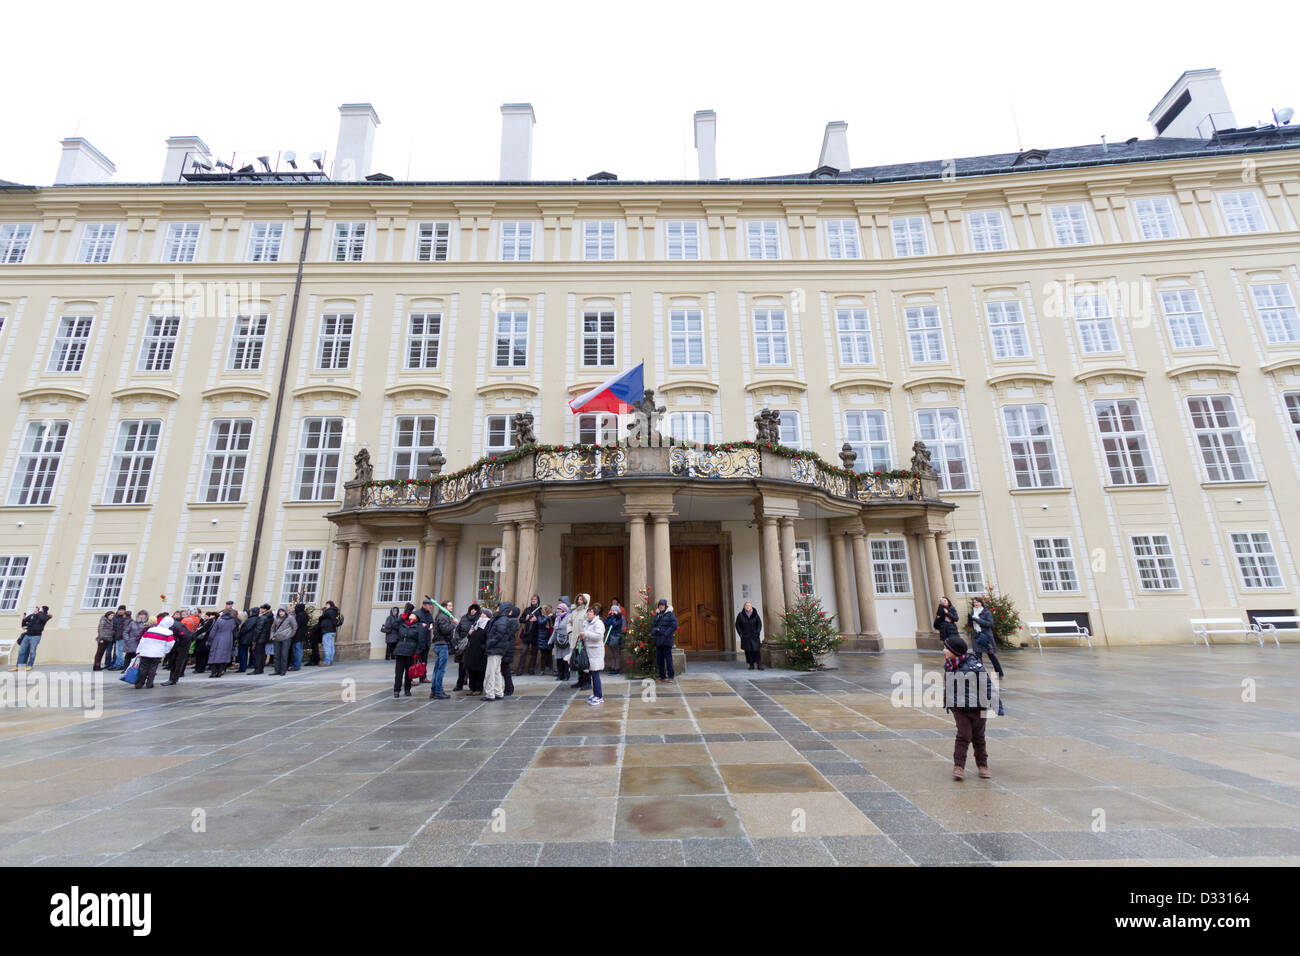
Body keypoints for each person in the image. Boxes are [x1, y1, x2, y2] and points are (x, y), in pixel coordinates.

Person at [942, 634, 995, 780]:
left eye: (946, 648)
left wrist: (995, 703)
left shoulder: (974, 665)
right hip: (959, 708)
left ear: (955, 651)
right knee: (963, 735)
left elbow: (987, 684)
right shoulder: (950, 665)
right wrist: (948, 702)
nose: (944, 651)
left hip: (978, 707)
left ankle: (983, 765)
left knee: (978, 737)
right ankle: (959, 766)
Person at [482, 602, 516, 702]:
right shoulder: (501, 619)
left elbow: (499, 634)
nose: (496, 609)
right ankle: (498, 692)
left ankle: (490, 694)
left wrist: (489, 643)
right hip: (497, 648)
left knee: (490, 672)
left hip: (495, 648)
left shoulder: (502, 620)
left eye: (498, 608)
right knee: (496, 672)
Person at [134, 614, 176, 689]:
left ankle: (139, 684)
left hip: (145, 652)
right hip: (157, 653)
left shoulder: (151, 629)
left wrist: (139, 650)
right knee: (153, 668)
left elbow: (143, 640)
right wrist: (165, 651)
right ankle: (149, 684)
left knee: (143, 668)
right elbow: (170, 643)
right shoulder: (169, 632)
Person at [967, 597, 1003, 679]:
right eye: (974, 602)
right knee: (978, 657)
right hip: (977, 635)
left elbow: (990, 624)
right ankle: (981, 675)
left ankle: (999, 673)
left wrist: (977, 620)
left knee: (991, 656)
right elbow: (971, 624)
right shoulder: (973, 612)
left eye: (977, 602)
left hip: (986, 636)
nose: (975, 604)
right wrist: (970, 619)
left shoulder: (986, 612)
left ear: (981, 603)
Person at [10, 605, 50, 672]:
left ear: (43, 610)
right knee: (22, 651)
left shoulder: (44, 616)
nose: (36, 609)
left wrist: (40, 612)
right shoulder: (32, 615)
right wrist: (24, 622)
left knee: (32, 651)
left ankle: (29, 665)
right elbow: (25, 621)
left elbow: (42, 619)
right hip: (27, 635)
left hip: (36, 636)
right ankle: (19, 667)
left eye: (39, 609)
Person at [429, 600, 455, 700]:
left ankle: (434, 690)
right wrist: (453, 624)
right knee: (441, 670)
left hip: (439, 644)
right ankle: (438, 691)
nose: (451, 607)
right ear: (444, 607)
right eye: (450, 605)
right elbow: (445, 630)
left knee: (437, 669)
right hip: (442, 645)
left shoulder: (441, 616)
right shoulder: (443, 617)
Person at [582, 602, 606, 706]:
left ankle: (599, 696)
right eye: (588, 612)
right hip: (589, 651)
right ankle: (595, 694)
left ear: (595, 614)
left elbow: (599, 636)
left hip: (596, 652)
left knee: (595, 674)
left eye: (590, 612)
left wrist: (585, 634)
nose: (588, 614)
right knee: (592, 674)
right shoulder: (587, 623)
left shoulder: (598, 623)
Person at [452, 603, 480, 692]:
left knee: (472, 667)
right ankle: (459, 684)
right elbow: (457, 630)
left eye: (475, 609)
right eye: (472, 609)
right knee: (461, 666)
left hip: (473, 646)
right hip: (463, 645)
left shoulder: (479, 619)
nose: (473, 610)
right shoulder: (464, 618)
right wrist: (458, 639)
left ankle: (473, 686)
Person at [392, 611, 420, 698]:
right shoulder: (402, 624)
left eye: (413, 615)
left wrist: (417, 652)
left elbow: (420, 640)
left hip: (411, 652)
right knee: (398, 673)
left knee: (409, 673)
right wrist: (402, 616)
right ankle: (396, 690)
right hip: (400, 651)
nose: (410, 615)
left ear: (416, 618)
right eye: (410, 614)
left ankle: (407, 689)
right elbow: (394, 625)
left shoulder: (418, 626)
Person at [461, 606, 489, 696]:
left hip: (481, 652)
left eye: (483, 614)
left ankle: (478, 688)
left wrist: (483, 647)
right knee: (471, 670)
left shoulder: (488, 624)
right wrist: (469, 634)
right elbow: (470, 636)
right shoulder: (477, 623)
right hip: (472, 650)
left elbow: (488, 637)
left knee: (479, 671)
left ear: (487, 616)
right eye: (481, 613)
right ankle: (472, 688)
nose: (481, 615)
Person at [159, 613, 193, 686]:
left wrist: (178, 646)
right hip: (178, 644)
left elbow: (186, 637)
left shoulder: (178, 627)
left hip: (184, 645)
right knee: (173, 661)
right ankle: (171, 678)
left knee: (178, 662)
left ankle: (173, 679)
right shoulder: (172, 625)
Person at [206, 604, 238, 678]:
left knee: (214, 655)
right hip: (228, 639)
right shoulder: (232, 621)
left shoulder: (219, 621)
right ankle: (220, 672)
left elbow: (212, 632)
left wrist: (209, 641)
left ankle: (213, 672)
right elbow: (235, 630)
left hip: (218, 639)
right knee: (224, 655)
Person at [568, 593, 591, 690]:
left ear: (586, 601)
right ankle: (580, 680)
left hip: (583, 640)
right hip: (574, 640)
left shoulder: (587, 612)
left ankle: (587, 682)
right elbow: (569, 622)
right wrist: (570, 631)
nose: (579, 601)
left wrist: (584, 635)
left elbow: (589, 625)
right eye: (578, 599)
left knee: (584, 661)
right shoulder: (574, 612)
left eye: (581, 599)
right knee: (577, 660)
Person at [652, 598, 677, 683]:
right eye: (660, 605)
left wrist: (666, 633)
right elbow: (653, 625)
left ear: (665, 606)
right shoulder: (657, 615)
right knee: (659, 660)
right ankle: (662, 676)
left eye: (662, 605)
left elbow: (674, 626)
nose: (661, 606)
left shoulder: (670, 614)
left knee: (668, 659)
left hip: (666, 641)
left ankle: (671, 677)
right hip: (658, 641)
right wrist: (654, 632)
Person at [736, 600, 763, 669]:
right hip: (745, 636)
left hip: (754, 636)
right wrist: (740, 634)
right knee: (748, 651)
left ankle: (759, 664)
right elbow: (737, 625)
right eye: (746, 605)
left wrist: (757, 632)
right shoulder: (741, 615)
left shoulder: (755, 614)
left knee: (756, 650)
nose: (747, 607)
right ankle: (751, 665)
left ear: (751, 607)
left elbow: (759, 624)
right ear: (744, 607)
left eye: (749, 605)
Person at [518, 594, 541, 675]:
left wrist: (537, 619)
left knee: (534, 652)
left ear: (538, 600)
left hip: (536, 634)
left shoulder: (540, 610)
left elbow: (544, 621)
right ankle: (520, 669)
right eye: (532, 599)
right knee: (523, 651)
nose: (533, 600)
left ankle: (531, 668)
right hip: (527, 634)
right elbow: (520, 620)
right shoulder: (527, 609)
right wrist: (526, 619)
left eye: (535, 599)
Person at [500, 604, 520, 696]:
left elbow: (508, 633)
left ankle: (509, 688)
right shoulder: (511, 621)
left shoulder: (513, 621)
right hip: (507, 647)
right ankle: (508, 688)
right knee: (505, 669)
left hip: (507, 648)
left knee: (505, 670)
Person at [249, 603, 273, 673]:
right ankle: (261, 668)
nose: (260, 610)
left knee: (258, 654)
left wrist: (254, 640)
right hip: (265, 637)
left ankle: (257, 669)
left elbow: (258, 629)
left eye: (261, 608)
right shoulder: (270, 616)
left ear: (264, 609)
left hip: (260, 638)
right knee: (262, 653)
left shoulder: (262, 617)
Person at [270, 606, 295, 676]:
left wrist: (290, 635)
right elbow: (272, 628)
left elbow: (294, 627)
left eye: (282, 611)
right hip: (277, 638)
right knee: (277, 655)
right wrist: (272, 636)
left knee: (284, 655)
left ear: (285, 611)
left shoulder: (290, 618)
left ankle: (283, 670)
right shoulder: (276, 618)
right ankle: (277, 670)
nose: (281, 613)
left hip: (286, 639)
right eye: (280, 611)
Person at [551, 599, 572, 682]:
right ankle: (560, 675)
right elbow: (555, 630)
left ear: (563, 610)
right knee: (559, 659)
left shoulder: (568, 617)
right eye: (557, 609)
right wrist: (551, 640)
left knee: (565, 659)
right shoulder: (557, 618)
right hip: (558, 641)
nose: (557, 610)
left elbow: (571, 629)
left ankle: (567, 675)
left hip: (566, 641)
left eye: (559, 609)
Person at [604, 600, 625, 675]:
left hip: (616, 636)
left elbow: (615, 624)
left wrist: (613, 617)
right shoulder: (611, 616)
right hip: (610, 636)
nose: (612, 611)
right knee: (612, 653)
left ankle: (617, 668)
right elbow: (606, 623)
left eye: (614, 610)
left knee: (616, 653)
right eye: (611, 610)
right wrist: (609, 616)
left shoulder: (620, 618)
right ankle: (613, 667)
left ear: (617, 611)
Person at [123, 609, 148, 674]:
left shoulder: (147, 624)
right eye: (140, 615)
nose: (142, 616)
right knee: (128, 656)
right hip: (131, 642)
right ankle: (125, 669)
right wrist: (127, 639)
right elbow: (125, 631)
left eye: (143, 615)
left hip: (141, 643)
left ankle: (134, 670)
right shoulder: (132, 623)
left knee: (138, 657)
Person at [235, 607, 259, 672]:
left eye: (251, 611)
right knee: (245, 653)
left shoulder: (252, 619)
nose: (250, 613)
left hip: (246, 638)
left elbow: (245, 628)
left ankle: (242, 668)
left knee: (243, 653)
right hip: (250, 638)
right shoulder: (256, 618)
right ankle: (245, 666)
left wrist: (239, 634)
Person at [108, 605, 130, 670]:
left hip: (121, 637)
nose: (121, 611)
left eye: (122, 610)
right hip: (116, 636)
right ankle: (117, 664)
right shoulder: (115, 617)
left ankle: (121, 664)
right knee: (117, 652)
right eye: (119, 610)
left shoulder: (125, 619)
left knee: (119, 651)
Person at [319, 601, 341, 666]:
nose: (326, 606)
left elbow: (321, 617)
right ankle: (330, 660)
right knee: (331, 646)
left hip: (327, 631)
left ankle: (327, 662)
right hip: (332, 631)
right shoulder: (335, 611)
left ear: (329, 604)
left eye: (326, 605)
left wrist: (324, 611)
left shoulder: (329, 611)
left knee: (327, 646)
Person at [536, 604, 554, 677]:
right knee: (543, 655)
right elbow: (541, 623)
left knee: (549, 654)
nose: (551, 611)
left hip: (549, 637)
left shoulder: (550, 617)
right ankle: (542, 670)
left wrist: (552, 617)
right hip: (542, 638)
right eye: (550, 610)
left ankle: (551, 669)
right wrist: (547, 617)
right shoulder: (540, 616)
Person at [291, 602, 309, 670]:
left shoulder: (299, 615)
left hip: (297, 635)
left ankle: (296, 666)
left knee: (297, 650)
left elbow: (296, 626)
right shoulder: (305, 614)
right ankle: (297, 665)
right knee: (299, 650)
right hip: (302, 634)